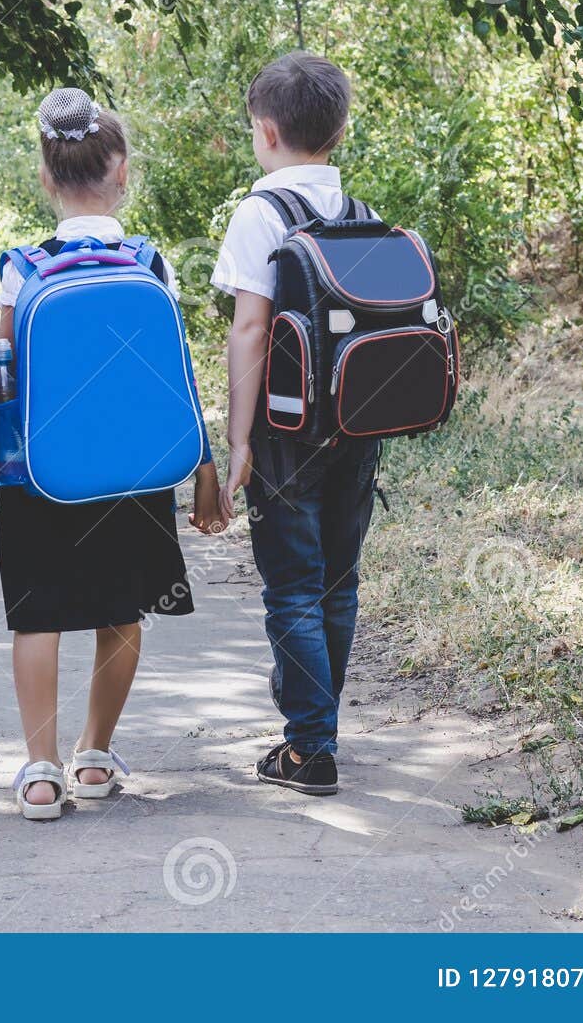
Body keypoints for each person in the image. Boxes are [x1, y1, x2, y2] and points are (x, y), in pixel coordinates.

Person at [0, 88, 224, 821]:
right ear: (123, 173)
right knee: (121, 614)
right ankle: (96, 756)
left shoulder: (23, 267)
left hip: (39, 477)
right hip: (135, 474)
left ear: (45, 178)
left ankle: (41, 773)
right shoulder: (150, 262)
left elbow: (3, 378)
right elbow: (177, 376)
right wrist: (205, 468)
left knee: (37, 620)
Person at [212, 52, 381, 796]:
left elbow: (250, 331)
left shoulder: (261, 214)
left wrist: (239, 439)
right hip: (357, 426)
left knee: (291, 586)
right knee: (337, 583)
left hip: (286, 434)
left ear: (267, 131)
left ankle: (311, 745)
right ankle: (319, 726)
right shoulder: (360, 214)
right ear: (339, 130)